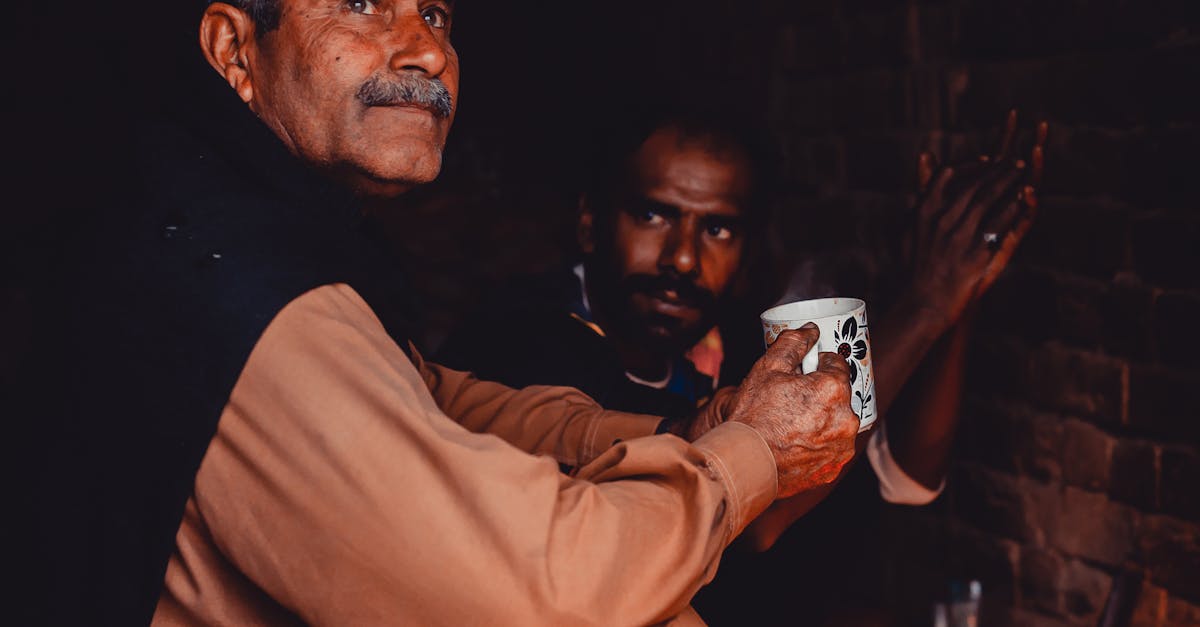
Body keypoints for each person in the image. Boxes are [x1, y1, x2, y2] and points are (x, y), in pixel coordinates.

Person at [14, 1, 862, 625]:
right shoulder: (238, 285)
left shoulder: (259, 233)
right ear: (235, 49)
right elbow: (544, 592)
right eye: (360, 6)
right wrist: (748, 453)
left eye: (437, 15)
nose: (425, 50)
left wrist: (695, 427)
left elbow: (431, 398)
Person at [437, 109, 1045, 624]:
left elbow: (903, 479)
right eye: (653, 215)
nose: (681, 257)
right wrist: (927, 305)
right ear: (591, 222)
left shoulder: (742, 343)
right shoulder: (515, 344)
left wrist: (960, 296)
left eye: (718, 229)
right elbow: (751, 515)